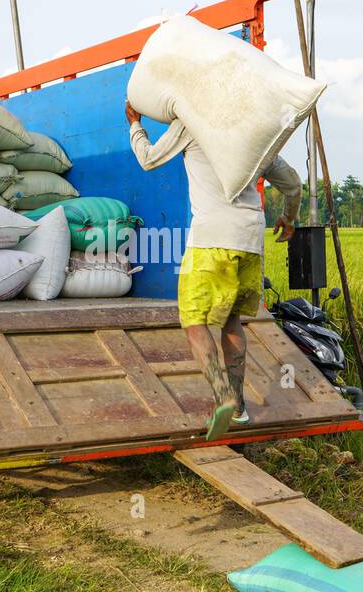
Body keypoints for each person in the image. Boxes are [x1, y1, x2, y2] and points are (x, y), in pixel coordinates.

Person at [125, 101, 302, 441]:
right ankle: (239, 408)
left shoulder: (190, 125)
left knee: (194, 321)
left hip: (212, 237)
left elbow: (148, 159)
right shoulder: (254, 135)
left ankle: (223, 396)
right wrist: (290, 219)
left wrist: (135, 124)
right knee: (232, 320)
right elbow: (292, 183)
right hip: (250, 238)